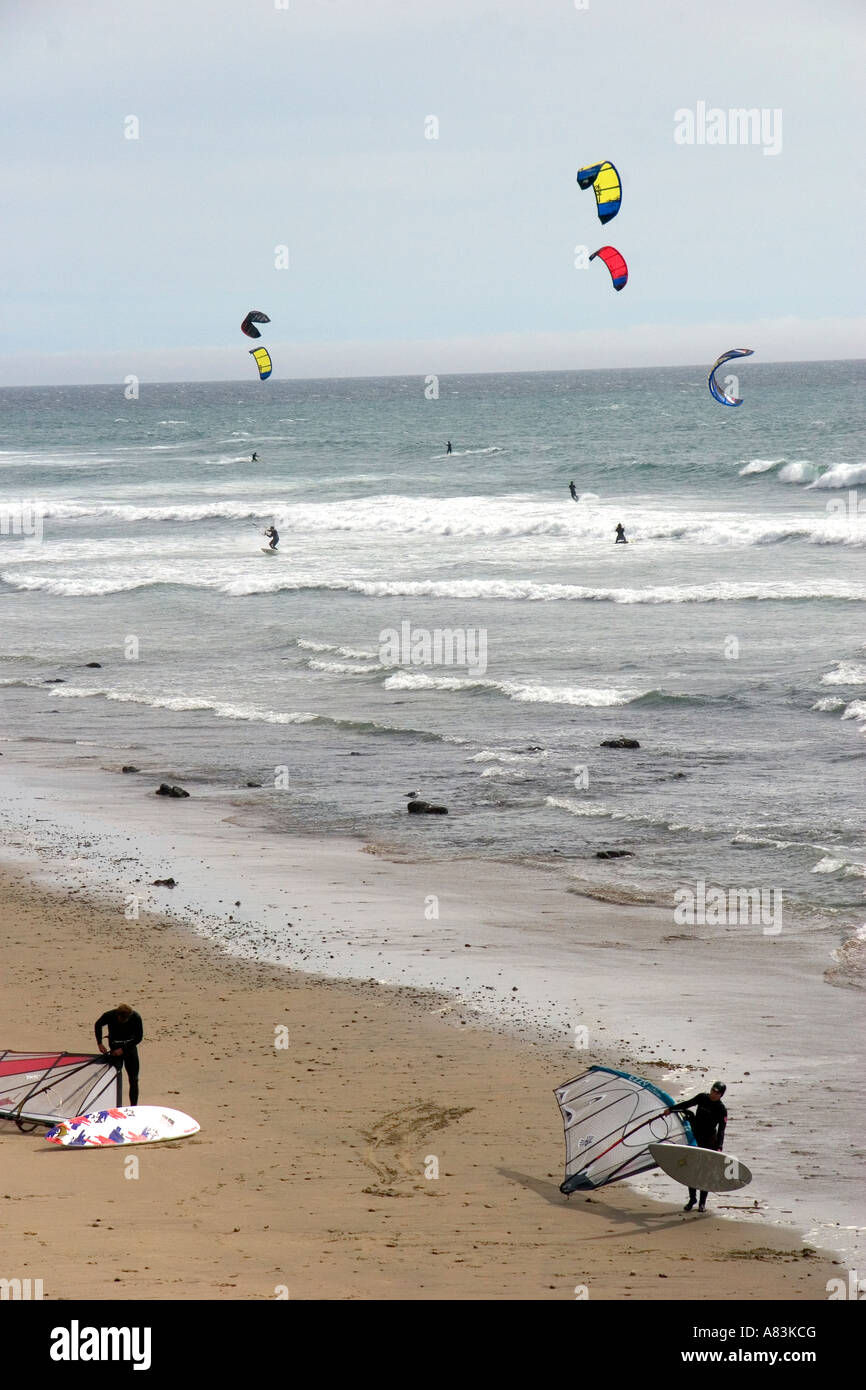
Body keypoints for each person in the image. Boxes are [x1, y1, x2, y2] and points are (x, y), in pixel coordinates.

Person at [667, 1082, 728, 1212]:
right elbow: (687, 1104)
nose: (713, 1093)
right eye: (713, 1090)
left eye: (717, 1092)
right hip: (695, 1137)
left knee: (705, 1172)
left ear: (721, 1095)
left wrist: (719, 1148)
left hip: (709, 1141)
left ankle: (702, 1203)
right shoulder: (702, 1098)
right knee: (691, 1169)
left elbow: (722, 1130)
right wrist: (671, 1109)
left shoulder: (721, 1109)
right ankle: (692, 1199)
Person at [95, 1002, 143, 1106]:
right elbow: (98, 1025)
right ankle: (114, 1106)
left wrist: (123, 1050)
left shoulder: (135, 1017)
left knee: (134, 1080)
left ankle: (133, 1107)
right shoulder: (110, 1015)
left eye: (125, 1020)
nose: (122, 1021)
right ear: (118, 1015)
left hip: (130, 1050)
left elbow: (139, 1038)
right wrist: (100, 1043)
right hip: (114, 1050)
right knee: (113, 1079)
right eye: (121, 1019)